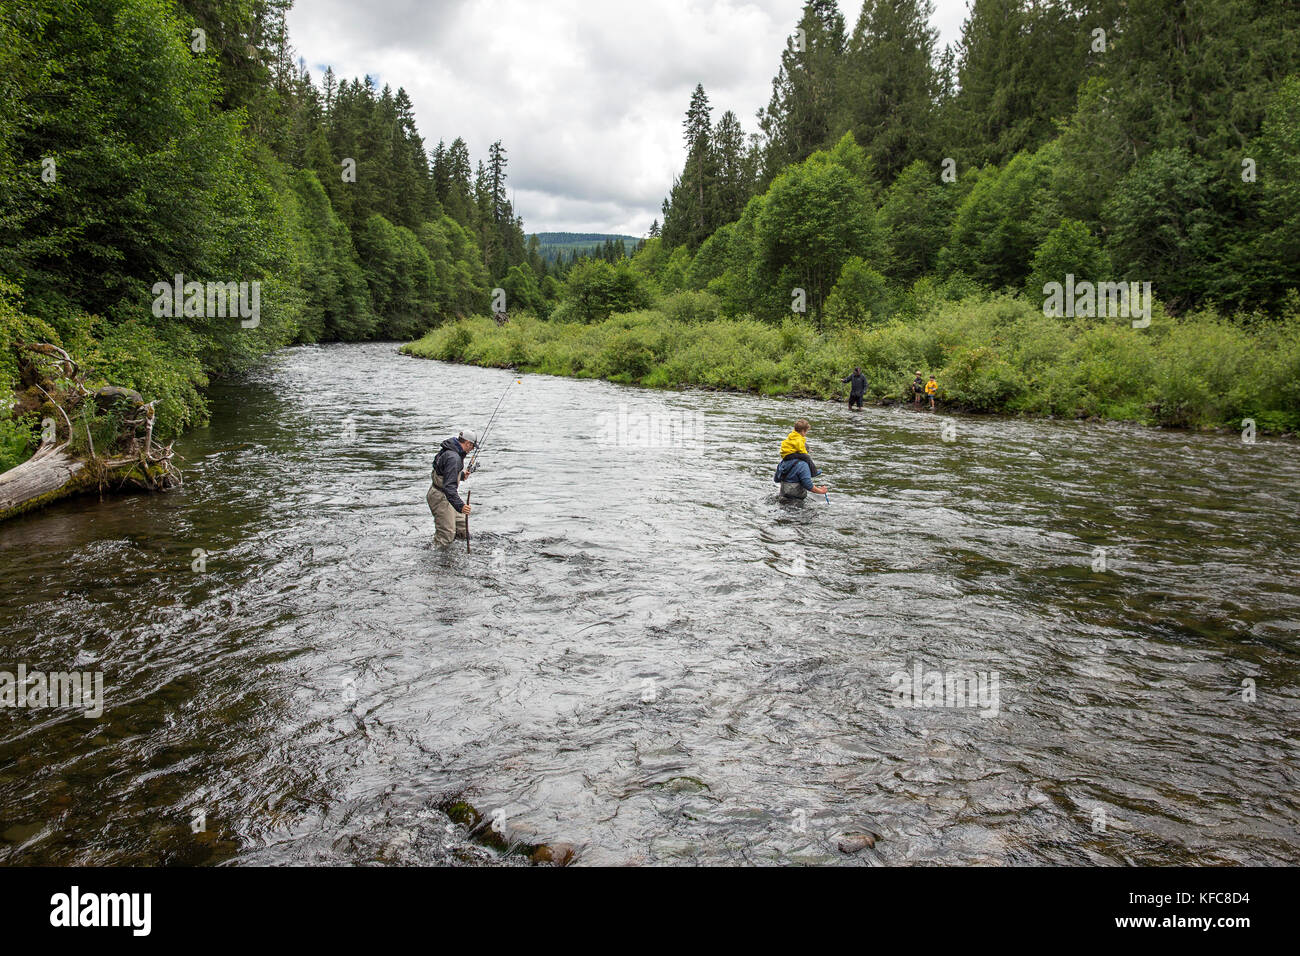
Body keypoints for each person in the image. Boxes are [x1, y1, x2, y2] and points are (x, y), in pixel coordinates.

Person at [427, 429, 476, 547]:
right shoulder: (453, 458)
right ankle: (438, 560)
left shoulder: (451, 449)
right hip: (441, 497)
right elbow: (449, 488)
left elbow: (444, 472)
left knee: (462, 528)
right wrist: (461, 506)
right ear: (468, 444)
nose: (472, 450)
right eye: (472, 447)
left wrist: (462, 475)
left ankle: (457, 554)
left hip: (445, 495)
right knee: (446, 535)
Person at [774, 419, 828, 499]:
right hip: (796, 500)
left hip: (783, 497)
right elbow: (808, 485)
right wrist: (821, 491)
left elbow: (776, 479)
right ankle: (814, 472)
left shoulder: (783, 462)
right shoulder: (803, 465)